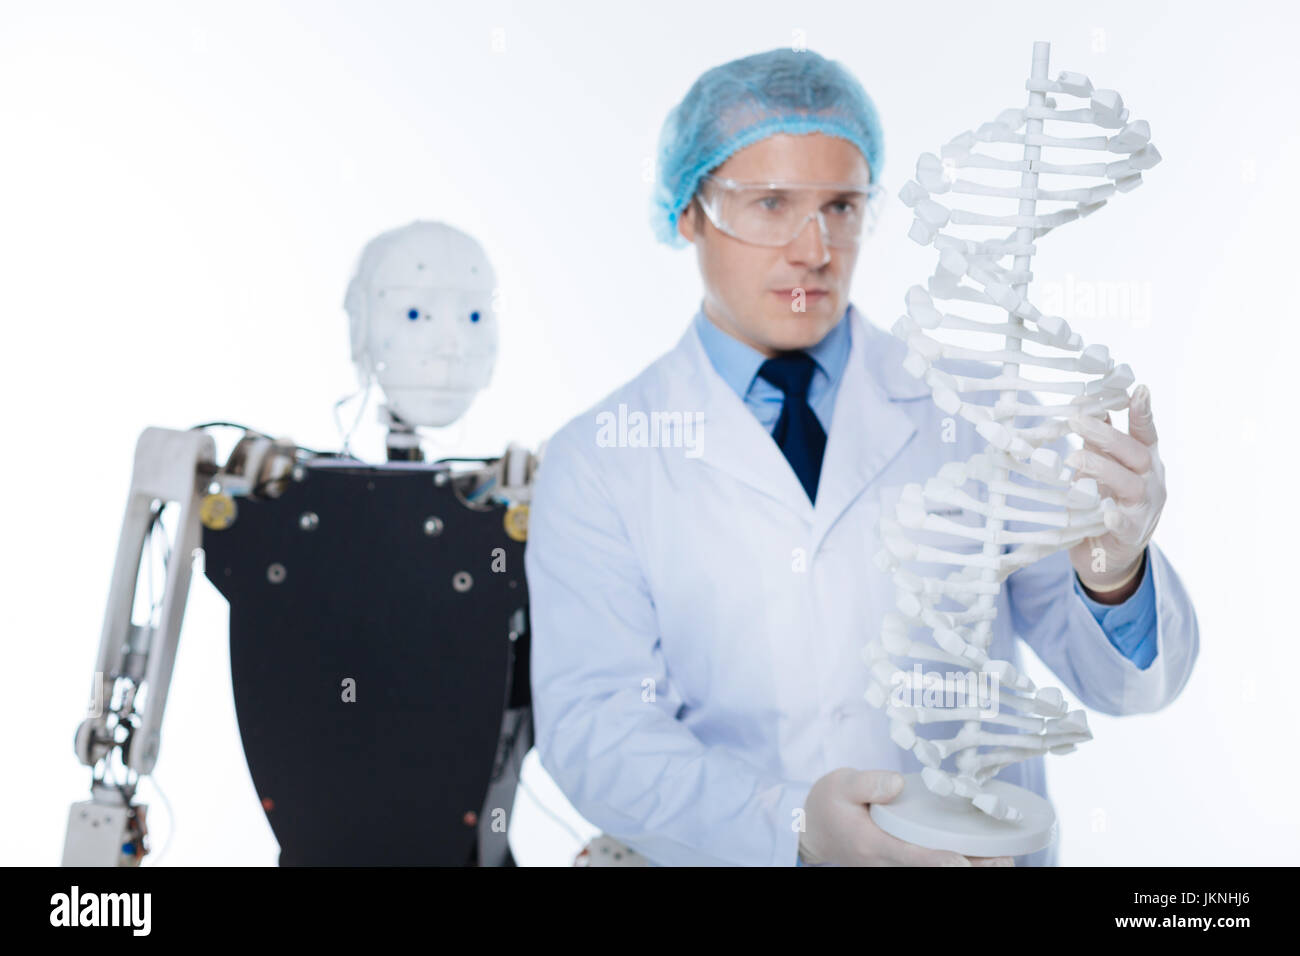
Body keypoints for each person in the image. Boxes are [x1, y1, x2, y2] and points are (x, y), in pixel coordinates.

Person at [524, 48, 1199, 866]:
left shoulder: (979, 407)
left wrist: (1113, 567)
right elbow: (597, 731)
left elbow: (1125, 686)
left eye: (841, 205)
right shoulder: (602, 459)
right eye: (769, 203)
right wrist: (793, 829)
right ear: (688, 212)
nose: (814, 249)